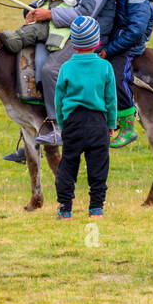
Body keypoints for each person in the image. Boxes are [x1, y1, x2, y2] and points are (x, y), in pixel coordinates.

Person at [30, 0, 115, 146]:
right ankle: (32, 126)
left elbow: (86, 12)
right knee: (33, 53)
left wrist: (49, 15)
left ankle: (58, 128)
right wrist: (35, 8)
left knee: (51, 69)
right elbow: (61, 0)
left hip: (90, 34)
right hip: (70, 29)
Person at [52, 16, 117, 218]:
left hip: (73, 123)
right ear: (97, 42)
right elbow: (111, 100)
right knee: (98, 165)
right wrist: (111, 124)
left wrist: (63, 123)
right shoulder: (105, 67)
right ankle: (96, 207)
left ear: (73, 43)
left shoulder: (66, 68)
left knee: (68, 164)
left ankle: (65, 208)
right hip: (98, 123)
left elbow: (59, 100)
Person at [98, 0, 153, 149]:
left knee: (117, 76)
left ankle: (127, 124)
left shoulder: (140, 1)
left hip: (130, 46)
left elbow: (134, 33)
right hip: (118, 38)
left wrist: (109, 49)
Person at [0, 0, 72, 54]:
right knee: (29, 28)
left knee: (34, 30)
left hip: (54, 29)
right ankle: (15, 37)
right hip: (43, 27)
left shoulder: (63, 1)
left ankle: (16, 42)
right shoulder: (44, 1)